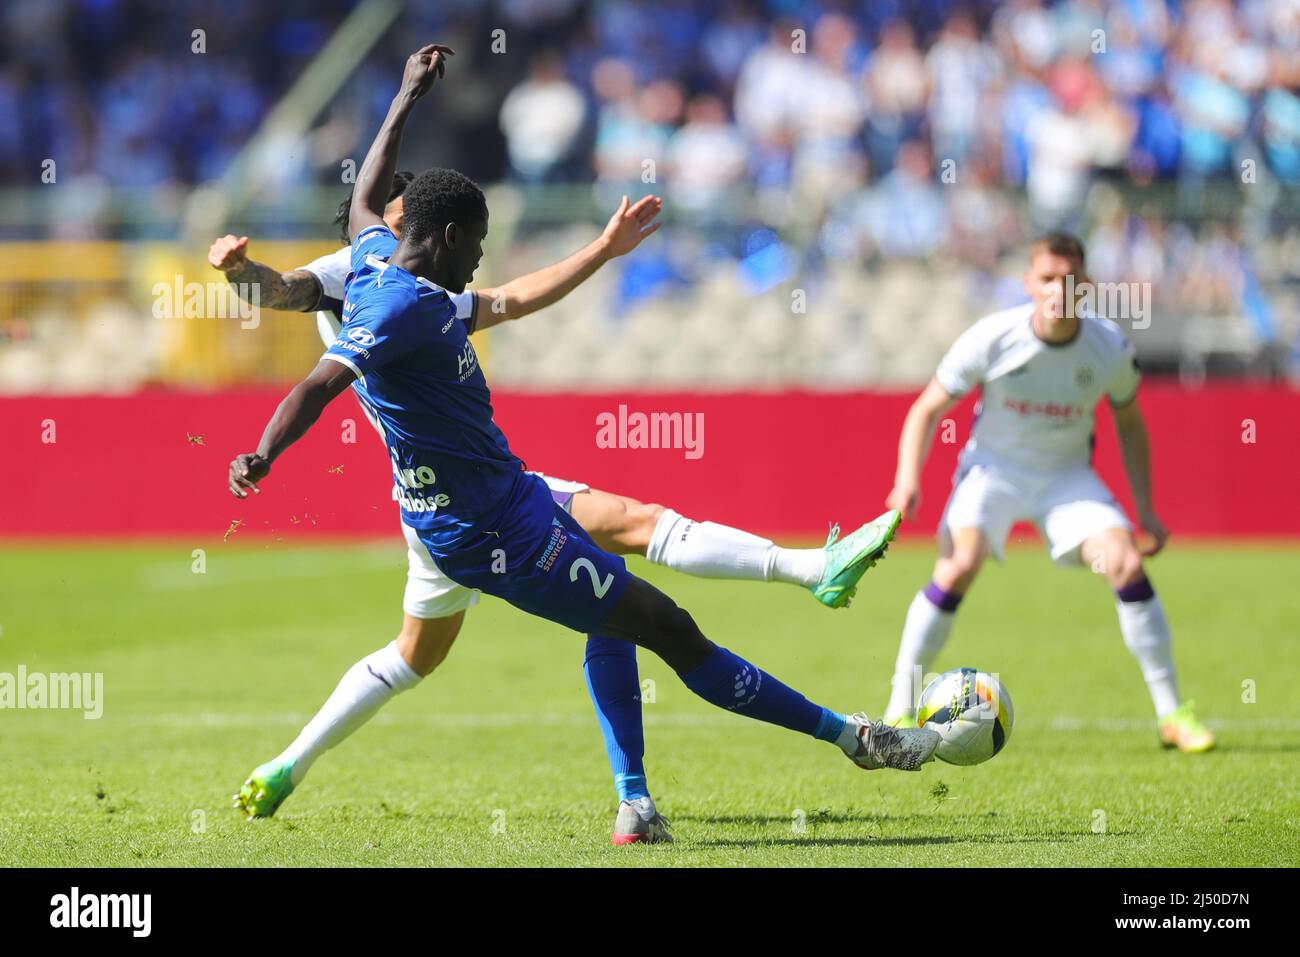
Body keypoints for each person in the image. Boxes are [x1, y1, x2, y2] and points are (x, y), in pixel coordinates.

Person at [220, 44, 933, 843]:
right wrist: (262, 443)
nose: (485, 254)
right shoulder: (386, 301)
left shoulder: (399, 266)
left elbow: (476, 271)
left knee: (504, 609)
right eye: (478, 239)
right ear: (441, 231)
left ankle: (783, 611)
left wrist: (408, 95)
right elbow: (302, 340)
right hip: (489, 530)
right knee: (665, 626)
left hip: (480, 495)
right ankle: (851, 738)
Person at [881, 232, 1214, 753]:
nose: (1059, 289)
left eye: (1071, 279)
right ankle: (898, 707)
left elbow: (1130, 423)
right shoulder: (992, 337)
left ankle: (1173, 713)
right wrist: (907, 481)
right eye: (1047, 278)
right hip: (992, 472)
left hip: (1066, 478)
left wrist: (1144, 508)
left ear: (1086, 285)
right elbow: (925, 410)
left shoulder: (1109, 349)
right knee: (960, 563)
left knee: (1125, 563)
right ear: (1028, 284)